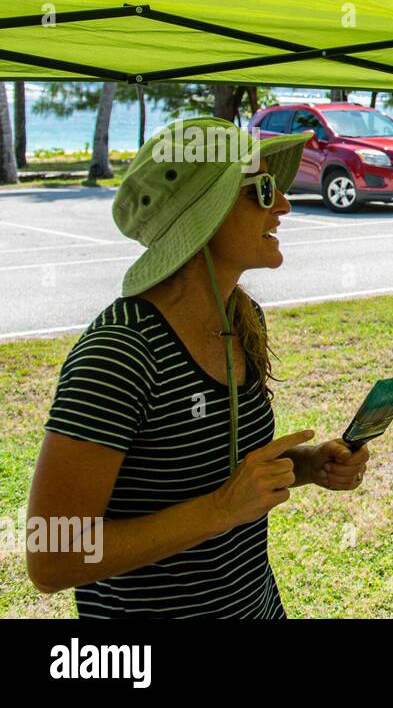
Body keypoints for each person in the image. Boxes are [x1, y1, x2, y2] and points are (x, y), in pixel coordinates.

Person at [27, 117, 372, 618]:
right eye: (262, 189)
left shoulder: (241, 317)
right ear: (203, 215)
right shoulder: (121, 353)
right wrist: (219, 511)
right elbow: (51, 556)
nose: (283, 204)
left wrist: (307, 464)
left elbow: (220, 473)